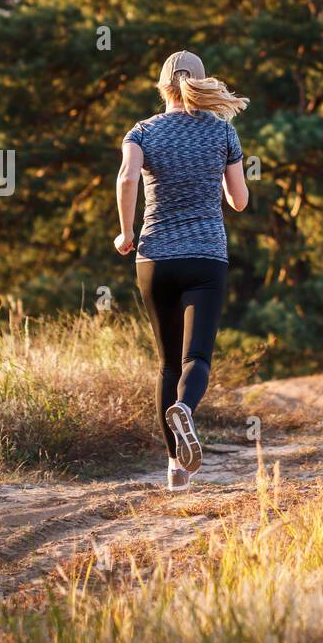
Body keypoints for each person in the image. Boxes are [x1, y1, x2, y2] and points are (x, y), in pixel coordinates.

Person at [113, 50, 249, 490]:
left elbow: (127, 179)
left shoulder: (142, 132)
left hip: (154, 257)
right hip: (206, 257)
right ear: (201, 84)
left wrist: (125, 233)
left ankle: (175, 468)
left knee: (168, 363)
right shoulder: (222, 131)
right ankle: (186, 410)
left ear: (161, 86)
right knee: (197, 358)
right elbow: (240, 200)